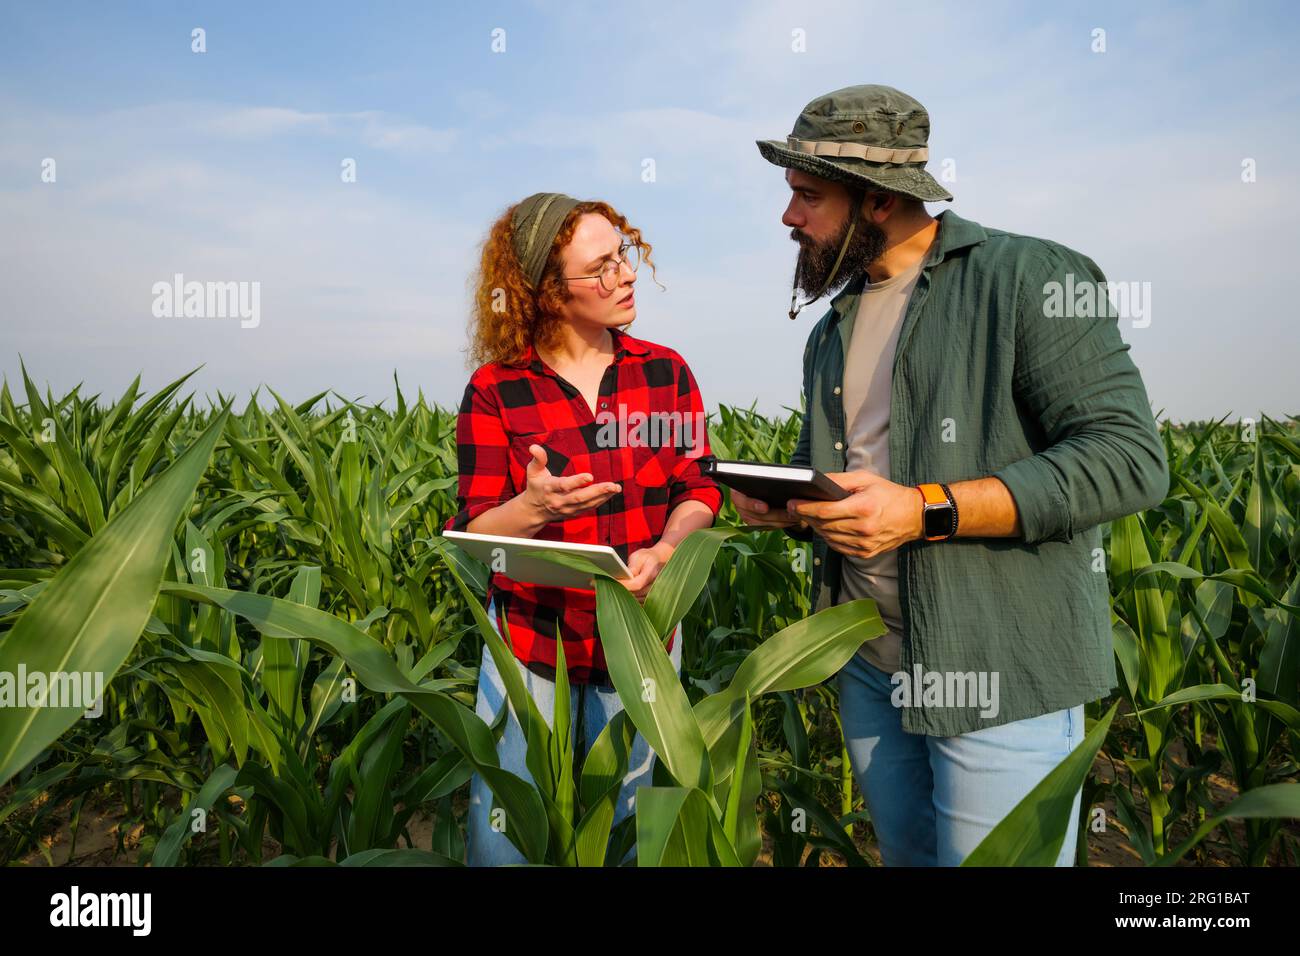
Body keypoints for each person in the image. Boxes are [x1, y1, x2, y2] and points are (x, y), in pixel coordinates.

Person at [732, 85, 1168, 866]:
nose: (788, 217)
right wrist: (787, 500)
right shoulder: (833, 326)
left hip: (993, 666)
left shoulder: (1028, 277)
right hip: (869, 662)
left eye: (807, 195)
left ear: (874, 199)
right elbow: (849, 470)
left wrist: (927, 510)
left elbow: (1127, 459)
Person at [445, 192, 722, 865]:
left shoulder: (664, 372)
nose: (625, 275)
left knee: (633, 839)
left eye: (622, 257)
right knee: (504, 841)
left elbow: (699, 487)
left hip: (641, 641)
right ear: (545, 292)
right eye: (600, 268)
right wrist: (536, 506)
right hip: (529, 646)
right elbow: (477, 525)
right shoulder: (497, 389)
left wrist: (667, 547)